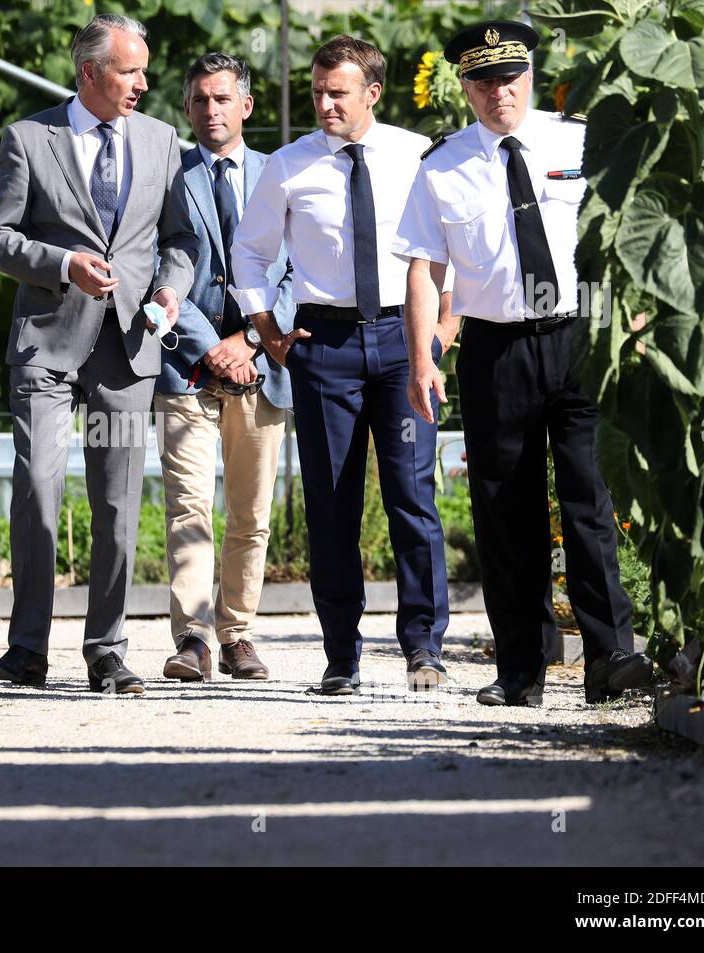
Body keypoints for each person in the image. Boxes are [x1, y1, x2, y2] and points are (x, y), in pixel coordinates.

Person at [393, 19, 652, 706]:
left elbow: (622, 229)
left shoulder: (579, 138)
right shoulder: (440, 166)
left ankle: (611, 660)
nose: (499, 92)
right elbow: (425, 268)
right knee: (506, 513)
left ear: (529, 76)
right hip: (496, 349)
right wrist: (423, 355)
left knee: (589, 502)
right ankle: (522, 671)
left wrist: (635, 316)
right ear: (465, 86)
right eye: (483, 80)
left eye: (509, 77)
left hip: (580, 339)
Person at [0, 14, 198, 694]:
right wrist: (61, 262)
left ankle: (106, 651)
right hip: (47, 342)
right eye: (130, 71)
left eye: (144, 70)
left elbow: (182, 241)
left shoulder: (163, 142)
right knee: (39, 492)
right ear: (90, 74)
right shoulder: (29, 138)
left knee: (117, 503)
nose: (144, 83)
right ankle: (27, 652)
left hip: (128, 348)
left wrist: (168, 291)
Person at [230, 35, 455, 695]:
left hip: (403, 341)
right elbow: (250, 251)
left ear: (373, 94)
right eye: (318, 91)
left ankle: (424, 649)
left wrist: (443, 330)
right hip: (322, 346)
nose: (325, 103)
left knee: (414, 497)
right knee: (332, 505)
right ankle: (342, 657)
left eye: (339, 92)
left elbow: (451, 248)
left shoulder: (417, 155)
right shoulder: (288, 166)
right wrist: (265, 326)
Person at [154, 53, 294, 683]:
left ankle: (238, 635)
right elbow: (156, 268)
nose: (211, 110)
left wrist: (250, 342)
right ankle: (193, 638)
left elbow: (297, 272)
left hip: (262, 367)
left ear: (246, 105)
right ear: (187, 109)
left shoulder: (280, 174)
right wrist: (212, 343)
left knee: (251, 513)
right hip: (185, 365)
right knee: (188, 507)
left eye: (222, 98)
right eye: (199, 100)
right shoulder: (167, 177)